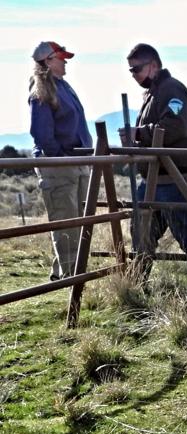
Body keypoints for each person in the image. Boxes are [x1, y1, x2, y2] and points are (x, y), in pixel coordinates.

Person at [120, 43, 187, 298]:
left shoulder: (171, 90)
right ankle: (137, 286)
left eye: (136, 69)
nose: (134, 74)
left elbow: (175, 126)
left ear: (153, 65)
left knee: (185, 231)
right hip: (158, 177)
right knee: (143, 231)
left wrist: (139, 133)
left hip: (175, 176)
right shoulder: (155, 93)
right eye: (131, 70)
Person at [28, 41, 92, 281]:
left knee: (78, 218)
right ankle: (72, 276)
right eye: (61, 57)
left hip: (75, 161)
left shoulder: (61, 85)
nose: (65, 61)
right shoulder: (42, 88)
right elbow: (42, 133)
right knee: (66, 222)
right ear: (48, 61)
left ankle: (64, 272)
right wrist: (60, 157)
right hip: (60, 164)